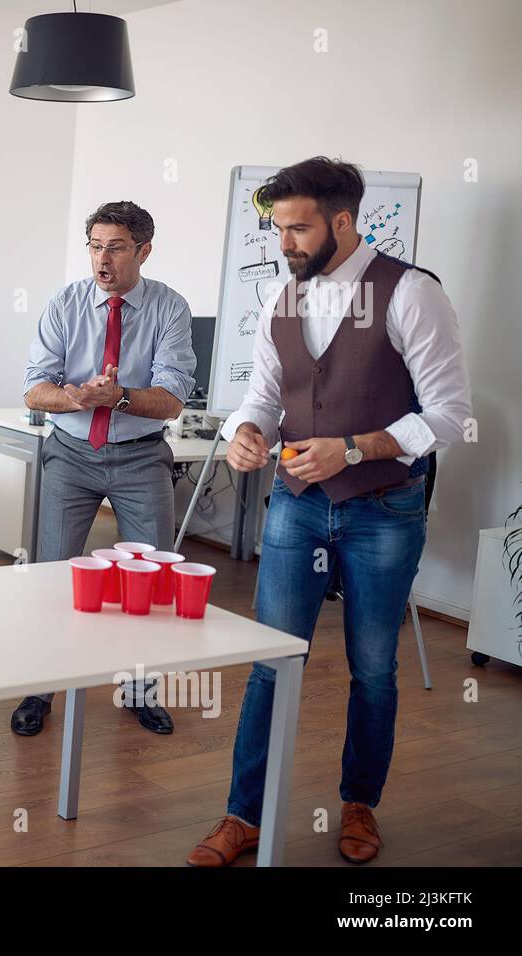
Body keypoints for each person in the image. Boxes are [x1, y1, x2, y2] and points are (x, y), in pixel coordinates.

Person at [186, 157, 472, 867]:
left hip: (385, 508)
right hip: (297, 505)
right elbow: (263, 392)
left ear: (343, 222)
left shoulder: (412, 293)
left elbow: (451, 416)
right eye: (277, 228)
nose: (282, 244)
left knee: (372, 668)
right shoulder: (286, 297)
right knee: (271, 661)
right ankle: (242, 815)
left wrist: (356, 447)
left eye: (298, 229)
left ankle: (359, 805)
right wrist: (243, 431)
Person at [16, 200, 196, 738]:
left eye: (116, 248)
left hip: (141, 456)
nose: (102, 260)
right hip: (71, 453)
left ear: (143, 250)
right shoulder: (66, 303)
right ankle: (40, 687)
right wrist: (78, 400)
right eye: (95, 246)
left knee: (151, 579)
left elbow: (171, 400)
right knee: (55, 575)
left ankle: (140, 689)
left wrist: (117, 399)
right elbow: (34, 385)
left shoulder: (169, 308)